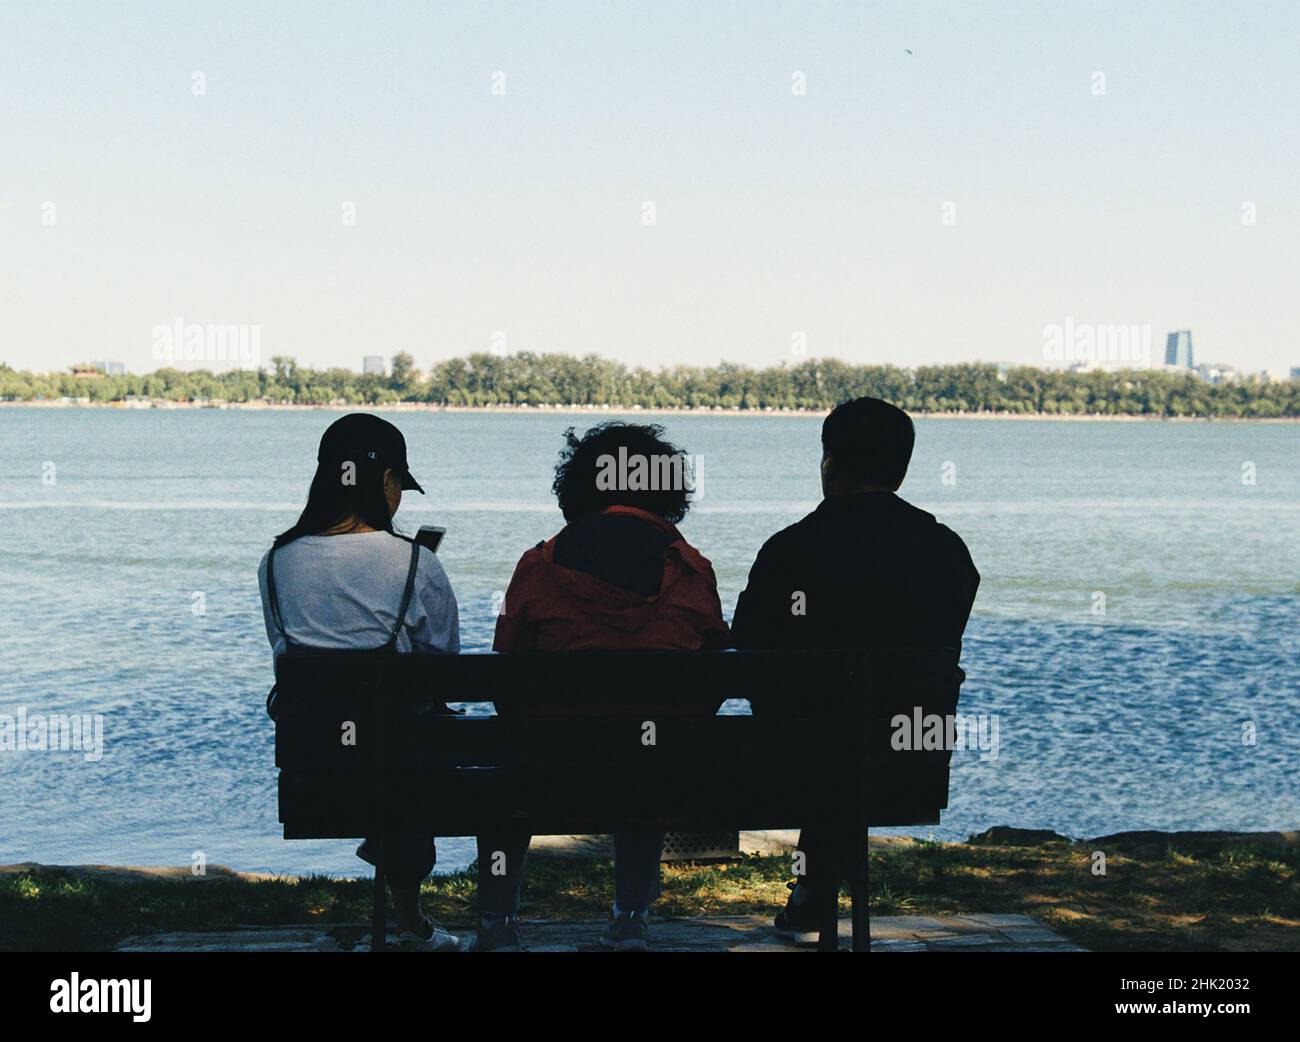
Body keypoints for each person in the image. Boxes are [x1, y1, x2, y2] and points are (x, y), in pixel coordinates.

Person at [730, 397, 979, 944]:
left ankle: (809, 895)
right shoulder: (946, 552)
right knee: (850, 742)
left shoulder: (789, 551)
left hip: (789, 762)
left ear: (828, 462)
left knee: (829, 744)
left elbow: (742, 661)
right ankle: (809, 894)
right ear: (902, 468)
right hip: (908, 764)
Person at [478, 422, 729, 952]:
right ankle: (630, 918)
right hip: (661, 775)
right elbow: (712, 680)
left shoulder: (537, 567)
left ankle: (496, 924)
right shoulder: (691, 571)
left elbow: (504, 680)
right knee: (651, 745)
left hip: (549, 773)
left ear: (579, 488)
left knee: (509, 763)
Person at [258, 412, 460, 949]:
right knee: (422, 729)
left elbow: (288, 653)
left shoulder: (275, 562)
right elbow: (443, 665)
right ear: (386, 481)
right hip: (400, 766)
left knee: (386, 730)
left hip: (316, 767)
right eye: (400, 485)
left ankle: (404, 909)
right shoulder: (416, 564)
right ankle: (412, 919)